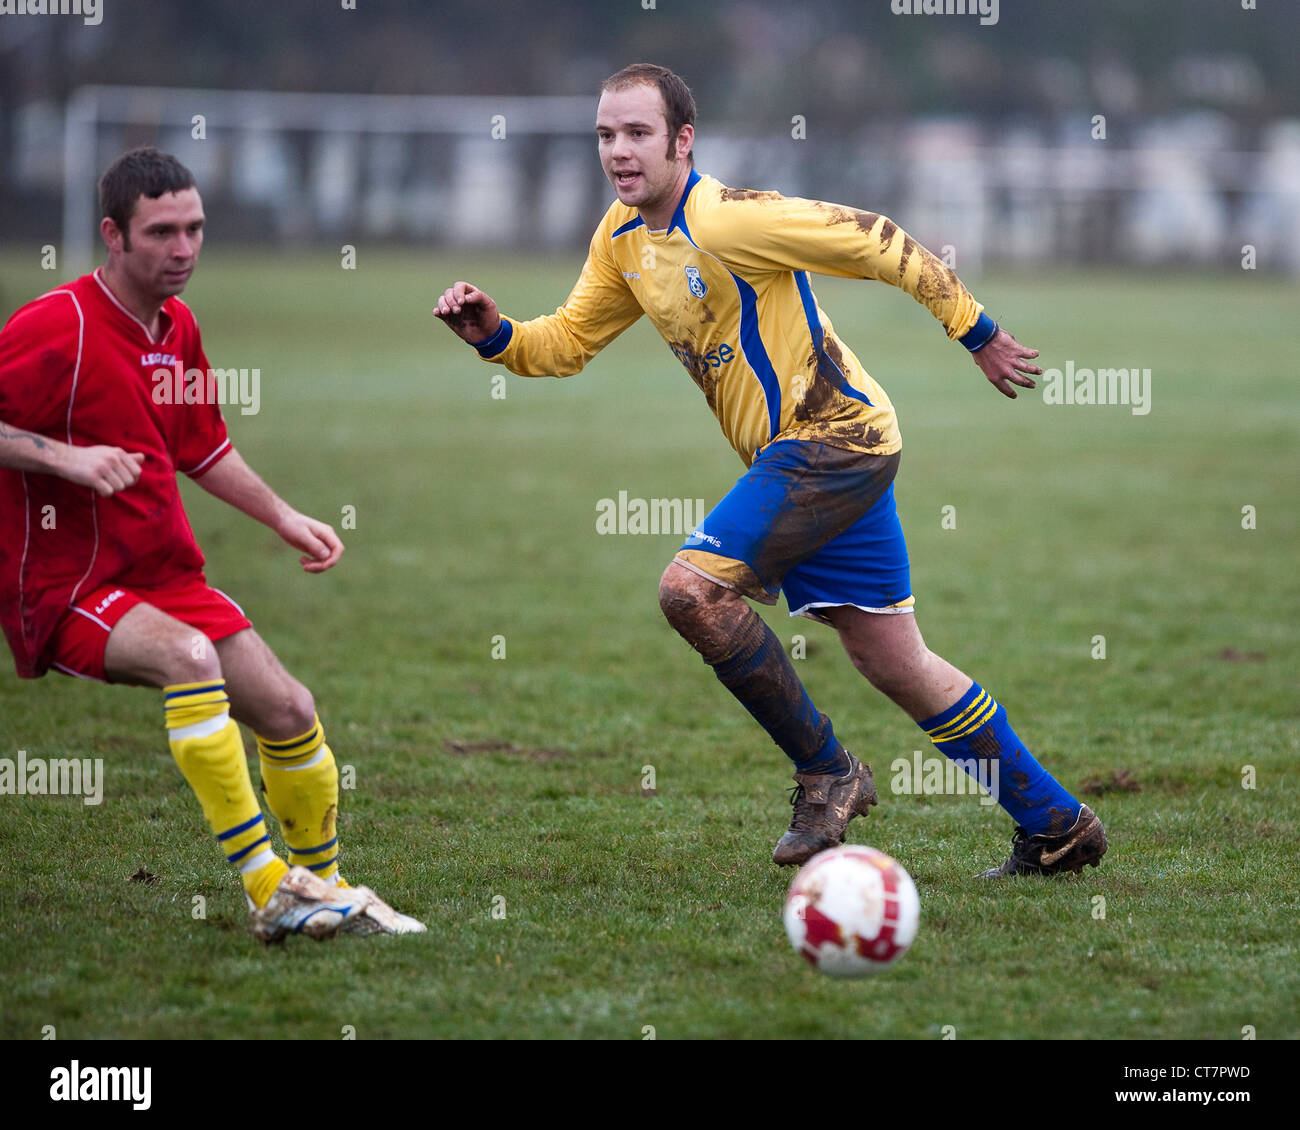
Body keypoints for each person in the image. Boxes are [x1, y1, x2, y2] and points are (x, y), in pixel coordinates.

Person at [436, 64, 1107, 878]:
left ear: (683, 141)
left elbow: (876, 239)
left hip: (834, 439)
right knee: (896, 662)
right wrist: (495, 332)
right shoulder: (619, 239)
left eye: (638, 133)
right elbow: (568, 343)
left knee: (690, 591)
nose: (618, 151)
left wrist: (977, 330)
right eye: (606, 135)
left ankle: (828, 771)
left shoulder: (726, 219)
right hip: (818, 457)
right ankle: (1057, 826)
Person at [0, 147, 425, 938]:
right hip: (69, 584)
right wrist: (68, 458)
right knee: (189, 660)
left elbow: (201, 445)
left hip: (162, 572)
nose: (184, 247)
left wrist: (283, 516)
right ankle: (270, 890)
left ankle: (322, 892)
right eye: (161, 231)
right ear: (113, 236)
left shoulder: (179, 326)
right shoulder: (61, 325)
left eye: (194, 228)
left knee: (289, 708)